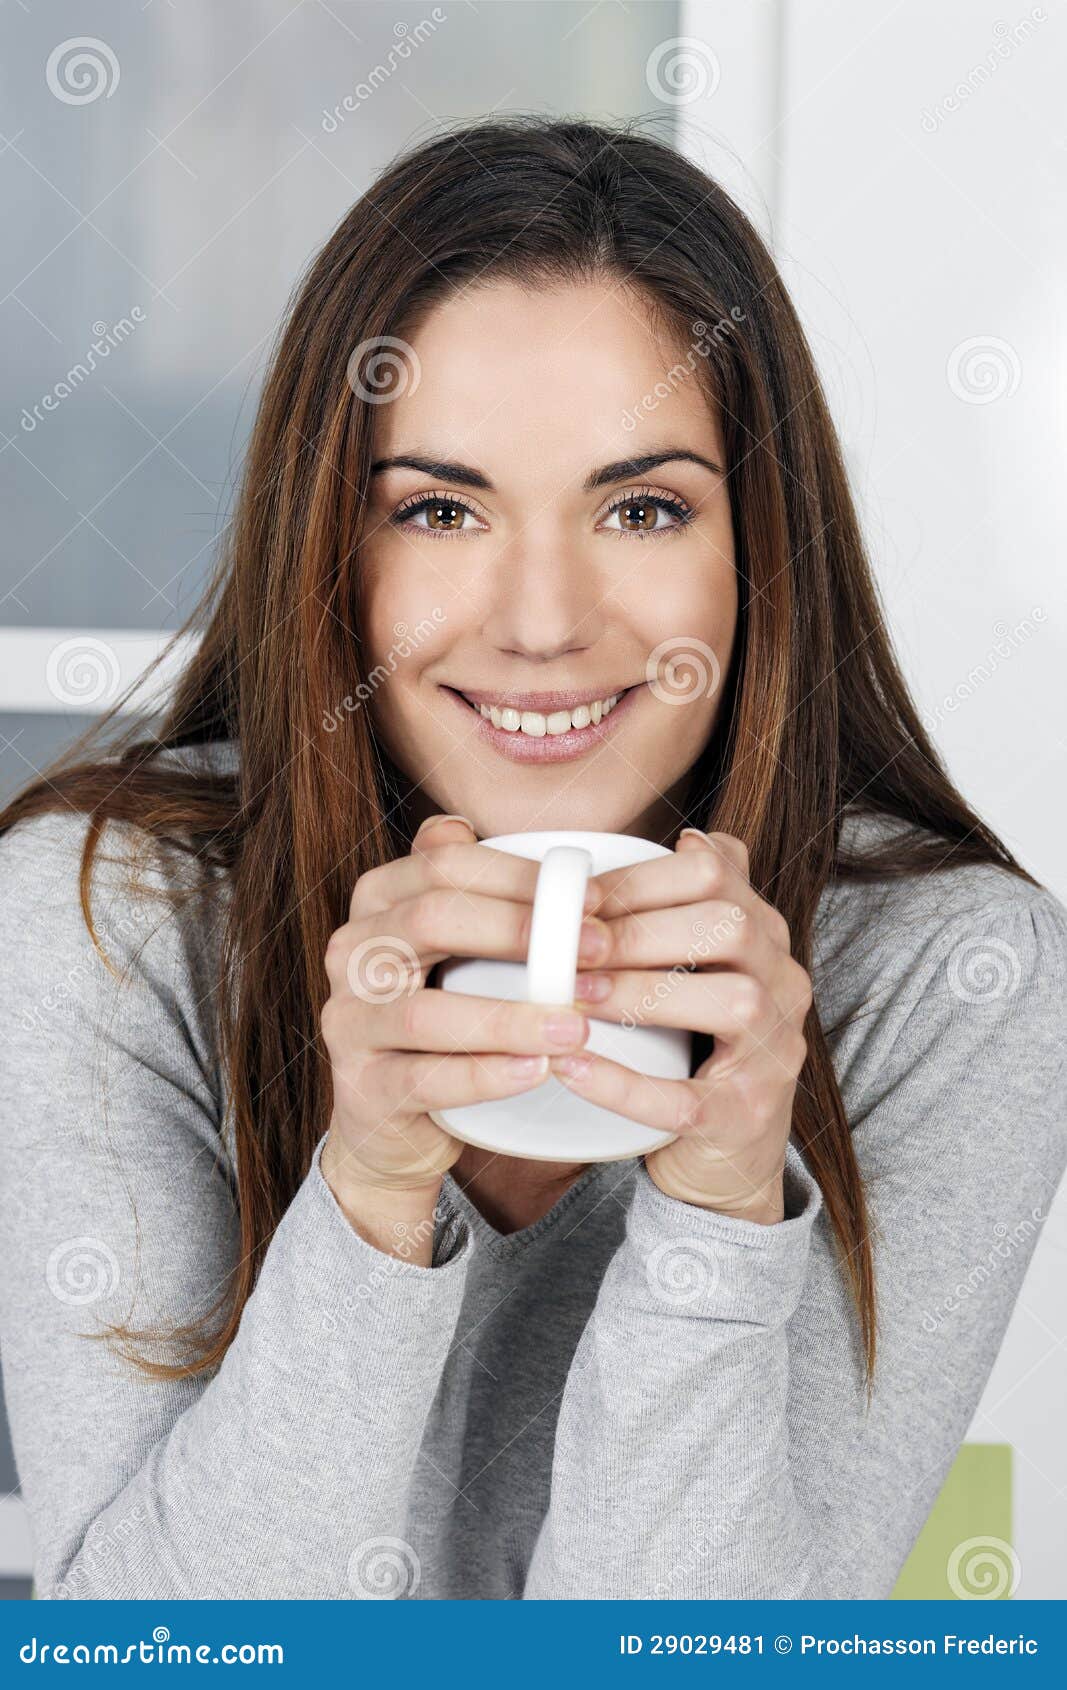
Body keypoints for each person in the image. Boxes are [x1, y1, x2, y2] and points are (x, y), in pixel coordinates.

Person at [1, 116, 1064, 1602]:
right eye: (440, 507)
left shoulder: (957, 972)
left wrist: (718, 1206)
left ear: (761, 544)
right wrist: (371, 1187)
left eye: (643, 507)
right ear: (334, 550)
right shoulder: (111, 911)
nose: (544, 618)